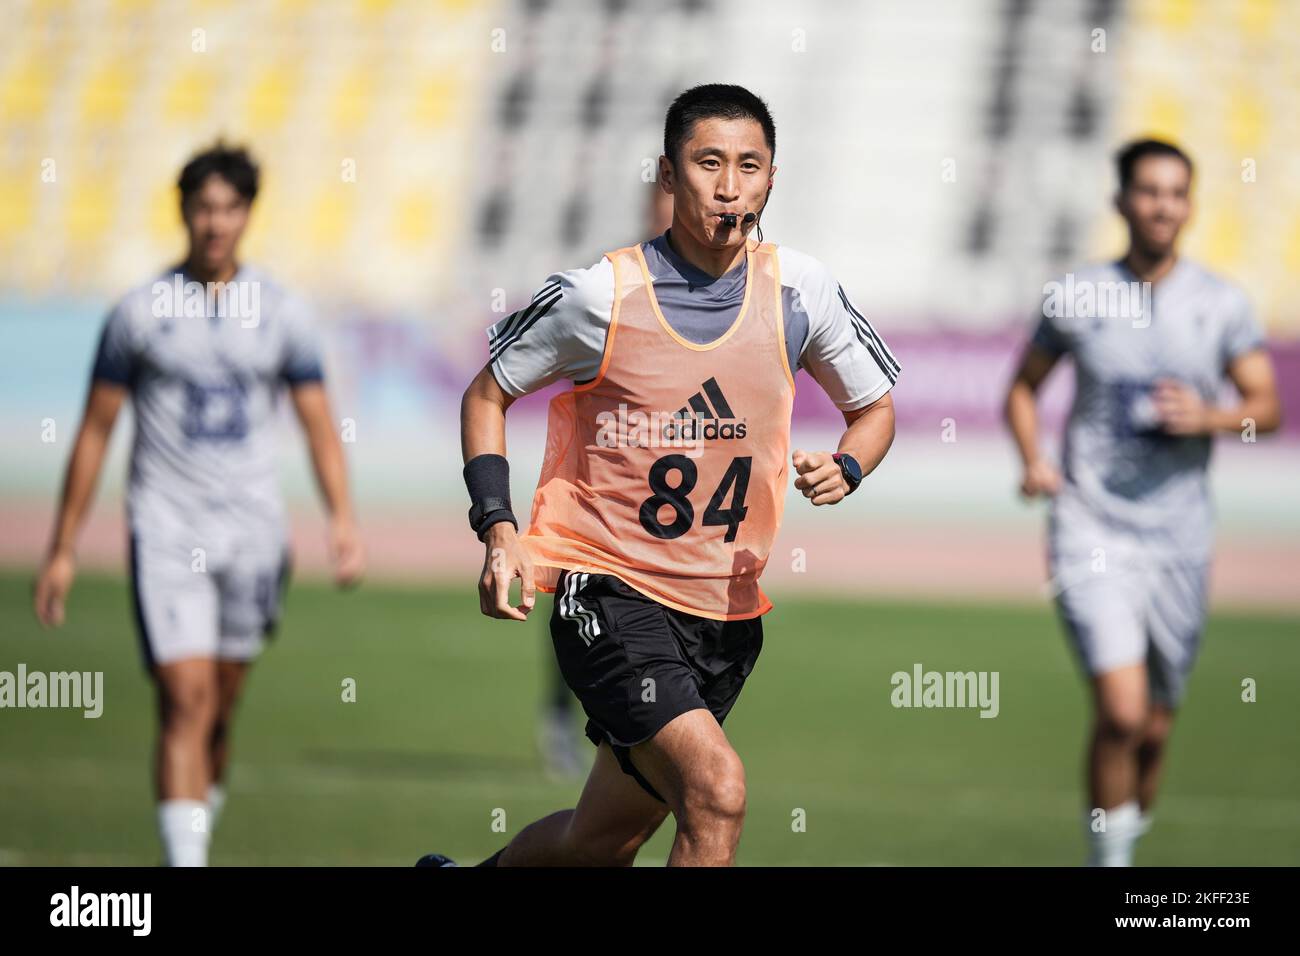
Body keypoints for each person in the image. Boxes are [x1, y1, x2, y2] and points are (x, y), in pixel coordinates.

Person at [429, 83, 900, 867]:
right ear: (669, 175)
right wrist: (498, 530)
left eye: (749, 166)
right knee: (717, 792)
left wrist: (849, 464)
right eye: (708, 162)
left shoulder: (800, 290)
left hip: (724, 613)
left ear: (772, 178)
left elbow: (876, 407)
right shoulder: (600, 296)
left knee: (602, 841)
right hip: (610, 592)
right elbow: (488, 392)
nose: (729, 186)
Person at [32, 144, 366, 866]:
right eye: (203, 208)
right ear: (184, 211)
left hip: (253, 535)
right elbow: (94, 432)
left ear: (248, 214)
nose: (215, 223)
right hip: (165, 526)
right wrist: (62, 547)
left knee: (219, 706)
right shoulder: (140, 312)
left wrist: (342, 520)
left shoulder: (281, 312)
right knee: (184, 700)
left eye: (229, 208)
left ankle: (197, 829)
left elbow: (318, 423)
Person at [1004, 139, 1282, 866]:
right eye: (1150, 191)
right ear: (1122, 201)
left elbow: (1268, 409)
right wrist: (1034, 458)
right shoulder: (1076, 295)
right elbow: (1023, 388)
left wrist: (1214, 417)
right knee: (1122, 713)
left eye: (1177, 192)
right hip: (1091, 527)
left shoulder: (1221, 304)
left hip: (1180, 539)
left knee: (1155, 727)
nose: (1164, 205)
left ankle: (1122, 841)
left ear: (1190, 205)